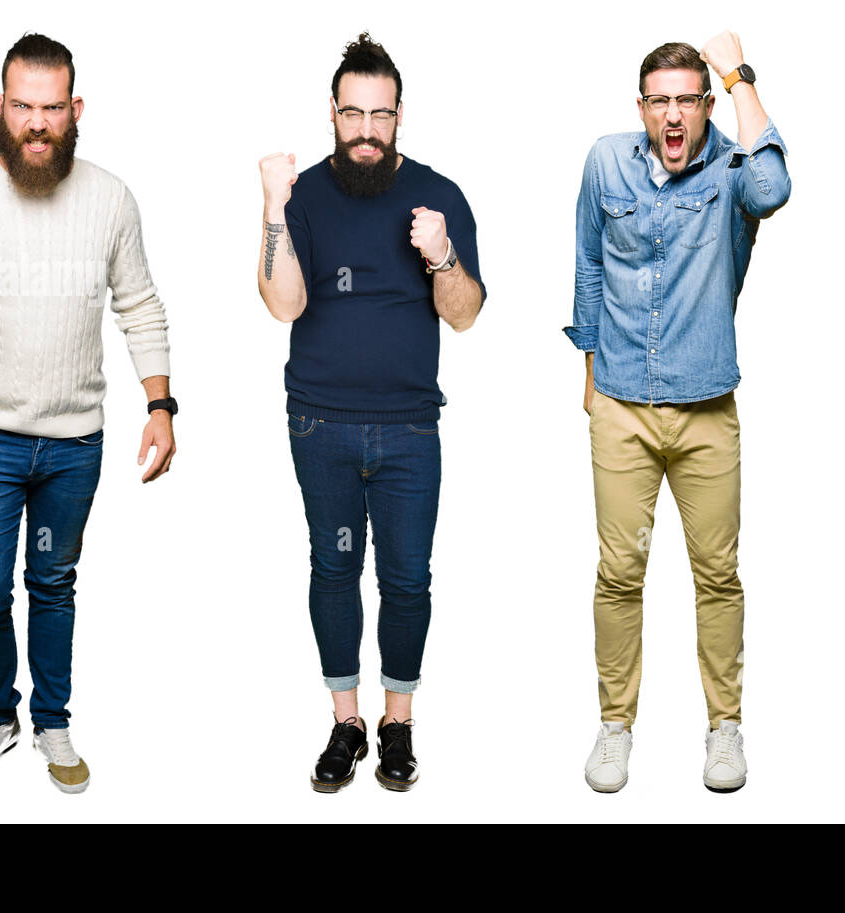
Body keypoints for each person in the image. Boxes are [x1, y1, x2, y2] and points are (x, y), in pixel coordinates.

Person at [0, 33, 176, 795]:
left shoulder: (111, 197)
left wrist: (161, 403)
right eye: (24, 107)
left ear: (75, 110)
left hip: (72, 446)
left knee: (52, 584)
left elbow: (139, 304)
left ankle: (52, 720)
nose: (38, 123)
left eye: (53, 108)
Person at [257, 32, 485, 793]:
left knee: (408, 578)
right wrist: (272, 206)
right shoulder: (305, 198)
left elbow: (466, 316)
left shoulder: (438, 195)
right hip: (320, 421)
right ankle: (345, 721)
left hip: (411, 429)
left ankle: (398, 722)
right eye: (351, 114)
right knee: (333, 566)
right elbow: (283, 301)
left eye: (378, 116)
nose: (363, 130)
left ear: (399, 117)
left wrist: (443, 255)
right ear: (331, 112)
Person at [566, 33, 789, 793]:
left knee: (717, 574)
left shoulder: (733, 168)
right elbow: (588, 262)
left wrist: (739, 74)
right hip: (621, 405)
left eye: (685, 100)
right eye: (657, 99)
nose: (671, 114)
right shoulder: (605, 161)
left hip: (705, 408)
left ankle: (725, 726)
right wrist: (591, 374)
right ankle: (614, 724)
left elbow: (776, 188)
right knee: (619, 571)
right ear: (641, 107)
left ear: (705, 106)